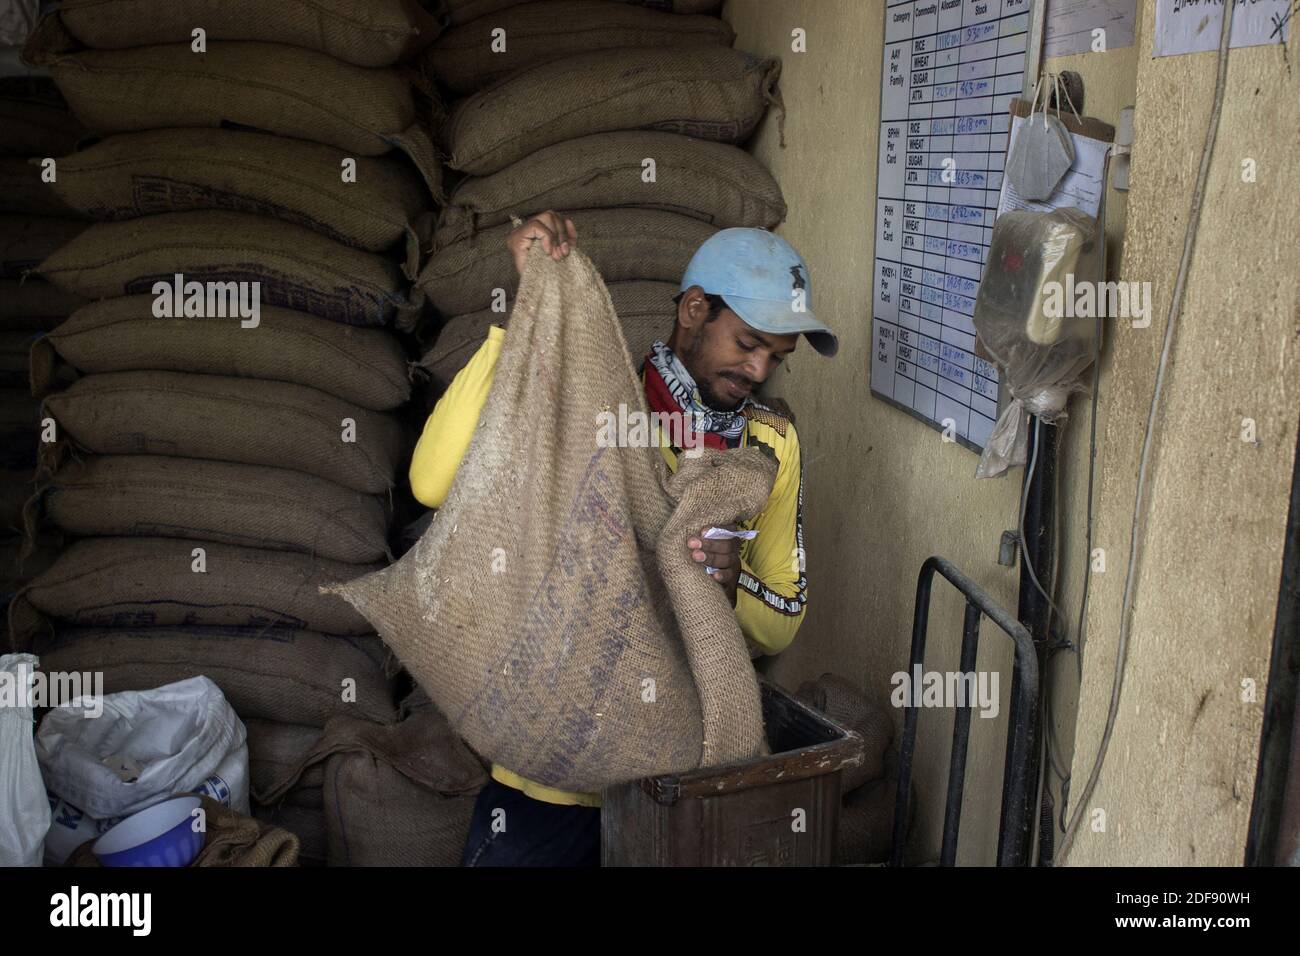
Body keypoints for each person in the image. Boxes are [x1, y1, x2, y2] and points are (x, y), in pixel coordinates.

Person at [409, 211, 838, 866]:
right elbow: (433, 480)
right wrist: (529, 318)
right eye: (748, 342)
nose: (758, 369)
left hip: (681, 778)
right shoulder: (592, 403)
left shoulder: (769, 446)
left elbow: (783, 616)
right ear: (695, 309)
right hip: (556, 774)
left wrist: (727, 584)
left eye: (776, 357)